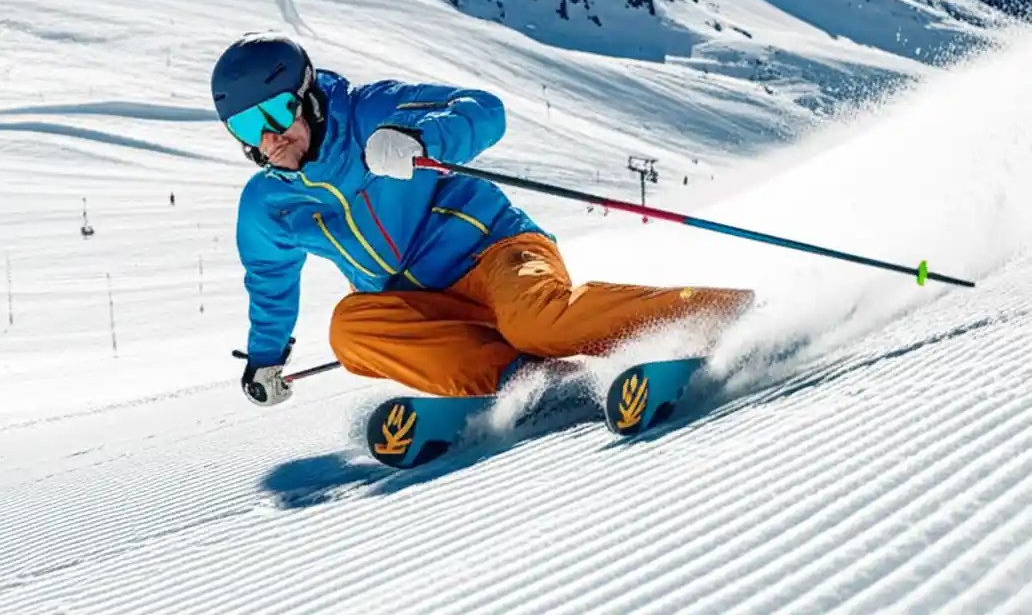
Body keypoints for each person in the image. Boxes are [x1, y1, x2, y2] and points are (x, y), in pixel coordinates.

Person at [211, 33, 751, 406]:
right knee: (350, 333)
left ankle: (724, 316)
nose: (270, 137)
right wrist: (265, 359)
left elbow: (484, 108)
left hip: (495, 252)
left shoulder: (370, 113)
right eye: (246, 124)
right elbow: (271, 285)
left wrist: (420, 140)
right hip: (429, 302)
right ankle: (530, 381)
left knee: (536, 322)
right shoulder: (267, 207)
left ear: (308, 96)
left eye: (278, 111)